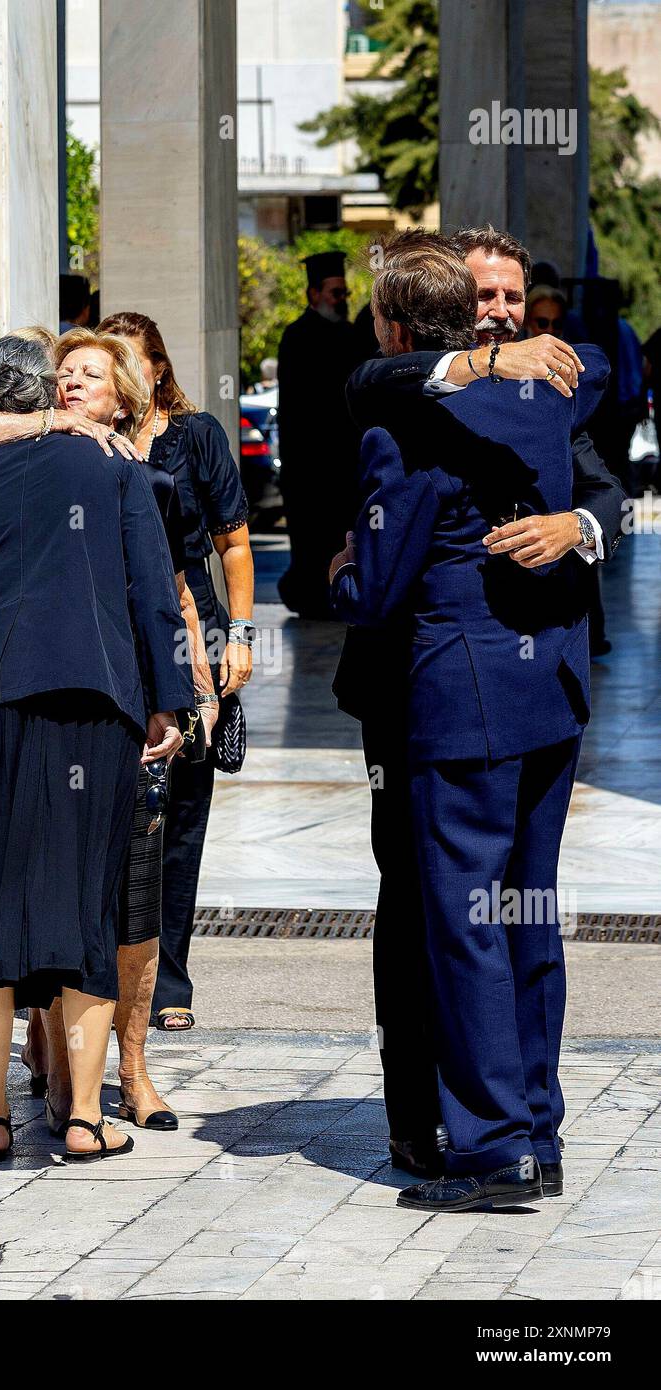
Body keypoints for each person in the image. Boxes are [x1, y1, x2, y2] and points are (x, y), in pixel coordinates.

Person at [335, 226, 626, 1178]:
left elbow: (377, 592)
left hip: (458, 704)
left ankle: (493, 1146)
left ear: (388, 323)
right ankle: (534, 1132)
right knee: (525, 912)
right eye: (488, 301)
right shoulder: (534, 397)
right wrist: (496, 356)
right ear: (467, 318)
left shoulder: (405, 428)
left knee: (462, 925)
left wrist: (342, 573)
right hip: (541, 698)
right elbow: (375, 379)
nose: (507, 312)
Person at [0, 334, 194, 1159]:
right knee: (85, 906)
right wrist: (172, 703)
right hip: (87, 701)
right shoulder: (117, 466)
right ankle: (87, 1120)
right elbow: (153, 597)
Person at [98, 312, 254, 1031]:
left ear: (158, 368)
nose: (125, 377)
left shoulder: (197, 437)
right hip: (113, 628)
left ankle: (171, 980)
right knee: (116, 804)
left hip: (193, 629)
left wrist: (240, 637)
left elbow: (233, 544)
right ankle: (105, 967)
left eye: (135, 362)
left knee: (181, 812)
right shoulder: (88, 441)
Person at [276, 250, 366, 618]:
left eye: (345, 293)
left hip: (345, 464)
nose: (341, 301)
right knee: (312, 541)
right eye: (335, 293)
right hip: (309, 466)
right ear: (314, 295)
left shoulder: (349, 336)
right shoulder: (296, 337)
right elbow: (295, 410)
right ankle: (313, 598)